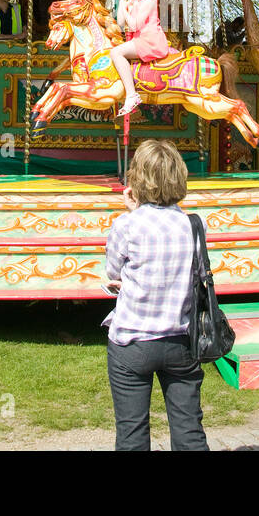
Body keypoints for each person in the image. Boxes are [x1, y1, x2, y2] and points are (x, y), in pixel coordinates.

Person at [103, 138, 207, 451]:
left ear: (137, 180)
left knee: (132, 434)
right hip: (180, 340)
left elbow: (112, 271)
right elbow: (199, 273)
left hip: (132, 342)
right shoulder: (194, 226)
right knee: (189, 429)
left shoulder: (126, 225)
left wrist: (134, 212)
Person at [112, 0, 171, 116]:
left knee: (116, 52)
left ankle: (131, 95)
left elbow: (134, 25)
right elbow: (120, 22)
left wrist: (125, 6)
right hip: (139, 39)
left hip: (149, 40)